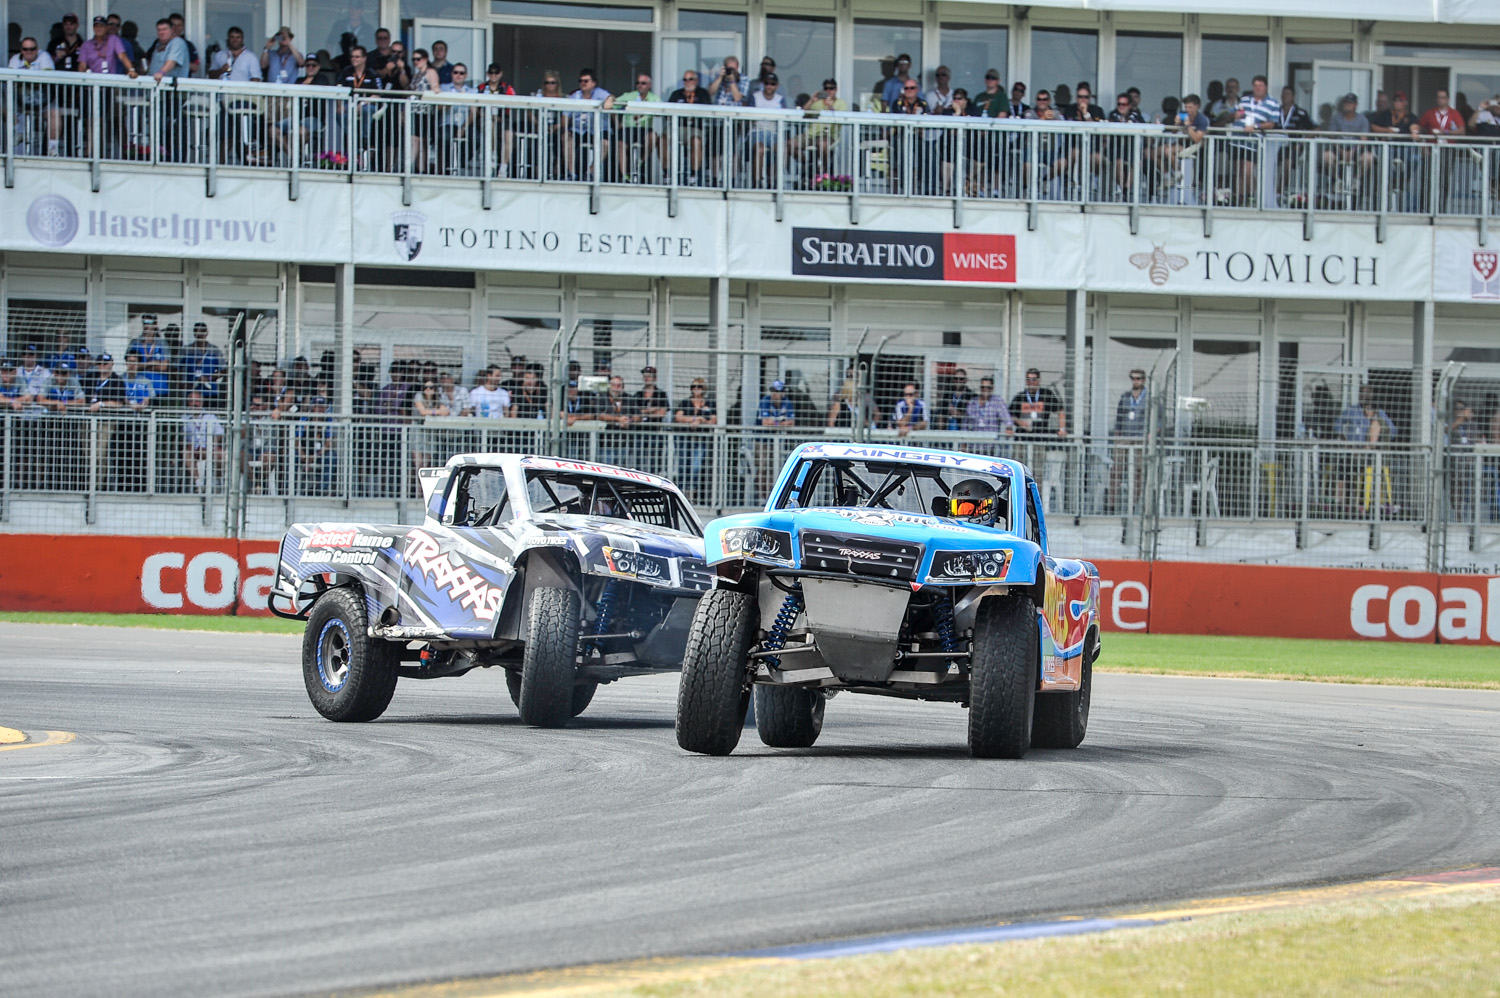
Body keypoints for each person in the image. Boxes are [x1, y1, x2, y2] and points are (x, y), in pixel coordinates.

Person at [1333, 385, 1396, 513]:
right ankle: (1340, 502)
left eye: (1367, 393)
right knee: (1341, 466)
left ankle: (1364, 502)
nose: (1364, 396)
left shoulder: (1379, 414)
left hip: (1369, 455)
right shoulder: (1351, 410)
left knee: (1366, 471)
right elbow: (1337, 425)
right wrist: (1344, 439)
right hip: (1352, 451)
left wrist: (1377, 425)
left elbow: (1393, 431)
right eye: (1362, 393)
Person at [609, 73, 662, 182]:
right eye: (638, 83)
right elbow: (612, 105)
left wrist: (647, 110)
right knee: (620, 143)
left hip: (645, 129)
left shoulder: (654, 98)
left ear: (649, 85)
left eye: (643, 83)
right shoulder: (629, 96)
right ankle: (624, 176)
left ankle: (639, 162)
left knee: (653, 137)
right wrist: (616, 123)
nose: (640, 85)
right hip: (628, 128)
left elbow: (661, 112)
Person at [672, 377, 716, 501]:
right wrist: (693, 419)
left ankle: (691, 494)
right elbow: (678, 417)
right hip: (684, 439)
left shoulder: (709, 403)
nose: (696, 389)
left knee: (696, 467)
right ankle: (681, 494)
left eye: (699, 387)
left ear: (704, 389)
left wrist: (702, 421)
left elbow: (714, 420)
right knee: (682, 466)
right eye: (694, 387)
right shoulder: (685, 402)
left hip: (700, 440)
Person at [668, 69, 712, 184]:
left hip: (696, 128)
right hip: (677, 127)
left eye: (691, 79)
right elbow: (667, 111)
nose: (688, 82)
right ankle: (666, 174)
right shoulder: (676, 94)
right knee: (663, 139)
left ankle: (694, 175)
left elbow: (708, 111)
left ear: (696, 81)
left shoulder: (703, 94)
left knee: (696, 141)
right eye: (685, 80)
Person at [743, 73, 786, 188]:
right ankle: (756, 183)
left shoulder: (780, 99)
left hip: (773, 133)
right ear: (763, 84)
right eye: (767, 83)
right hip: (756, 131)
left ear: (776, 86)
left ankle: (774, 181)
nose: (769, 86)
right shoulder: (755, 96)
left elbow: (785, 116)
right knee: (760, 149)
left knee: (782, 149)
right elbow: (748, 116)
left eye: (772, 84)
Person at [754, 379, 795, 496]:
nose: (775, 394)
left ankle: (774, 495)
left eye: (778, 391)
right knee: (763, 468)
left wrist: (775, 424)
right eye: (773, 391)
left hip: (778, 442)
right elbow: (766, 423)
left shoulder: (787, 403)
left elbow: (791, 422)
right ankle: (762, 496)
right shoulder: (765, 401)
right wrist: (781, 424)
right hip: (762, 441)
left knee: (777, 468)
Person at [181, 389, 225, 491]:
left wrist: (212, 445)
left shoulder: (210, 416)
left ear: (202, 402)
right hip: (193, 449)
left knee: (223, 455)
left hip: (209, 448)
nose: (194, 404)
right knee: (185, 453)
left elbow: (219, 433)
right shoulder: (184, 417)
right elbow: (181, 437)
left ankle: (217, 481)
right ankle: (199, 483)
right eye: (191, 401)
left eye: (197, 401)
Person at [1009, 368, 1067, 437]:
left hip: (1041, 437)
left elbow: (1060, 411)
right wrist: (1020, 423)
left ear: (1039, 380)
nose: (1031, 382)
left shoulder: (1046, 394)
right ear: (1026, 381)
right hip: (1022, 437)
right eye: (1028, 379)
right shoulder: (1020, 396)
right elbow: (1010, 415)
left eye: (1034, 379)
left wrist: (1062, 430)